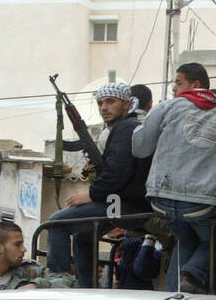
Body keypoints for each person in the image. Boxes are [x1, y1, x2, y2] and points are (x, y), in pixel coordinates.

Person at [132, 62, 216, 294]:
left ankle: (176, 296)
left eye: (178, 83)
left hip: (161, 199)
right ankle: (191, 274)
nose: (174, 88)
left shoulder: (168, 108)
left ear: (195, 84)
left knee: (185, 241)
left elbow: (140, 148)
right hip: (201, 205)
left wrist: (139, 122)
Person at [45, 82, 151, 288]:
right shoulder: (122, 128)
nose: (104, 107)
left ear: (126, 103)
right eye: (100, 103)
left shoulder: (126, 128)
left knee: (56, 223)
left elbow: (117, 173)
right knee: (84, 235)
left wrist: (92, 194)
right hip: (123, 203)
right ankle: (88, 288)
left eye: (110, 101)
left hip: (123, 204)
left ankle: (58, 281)